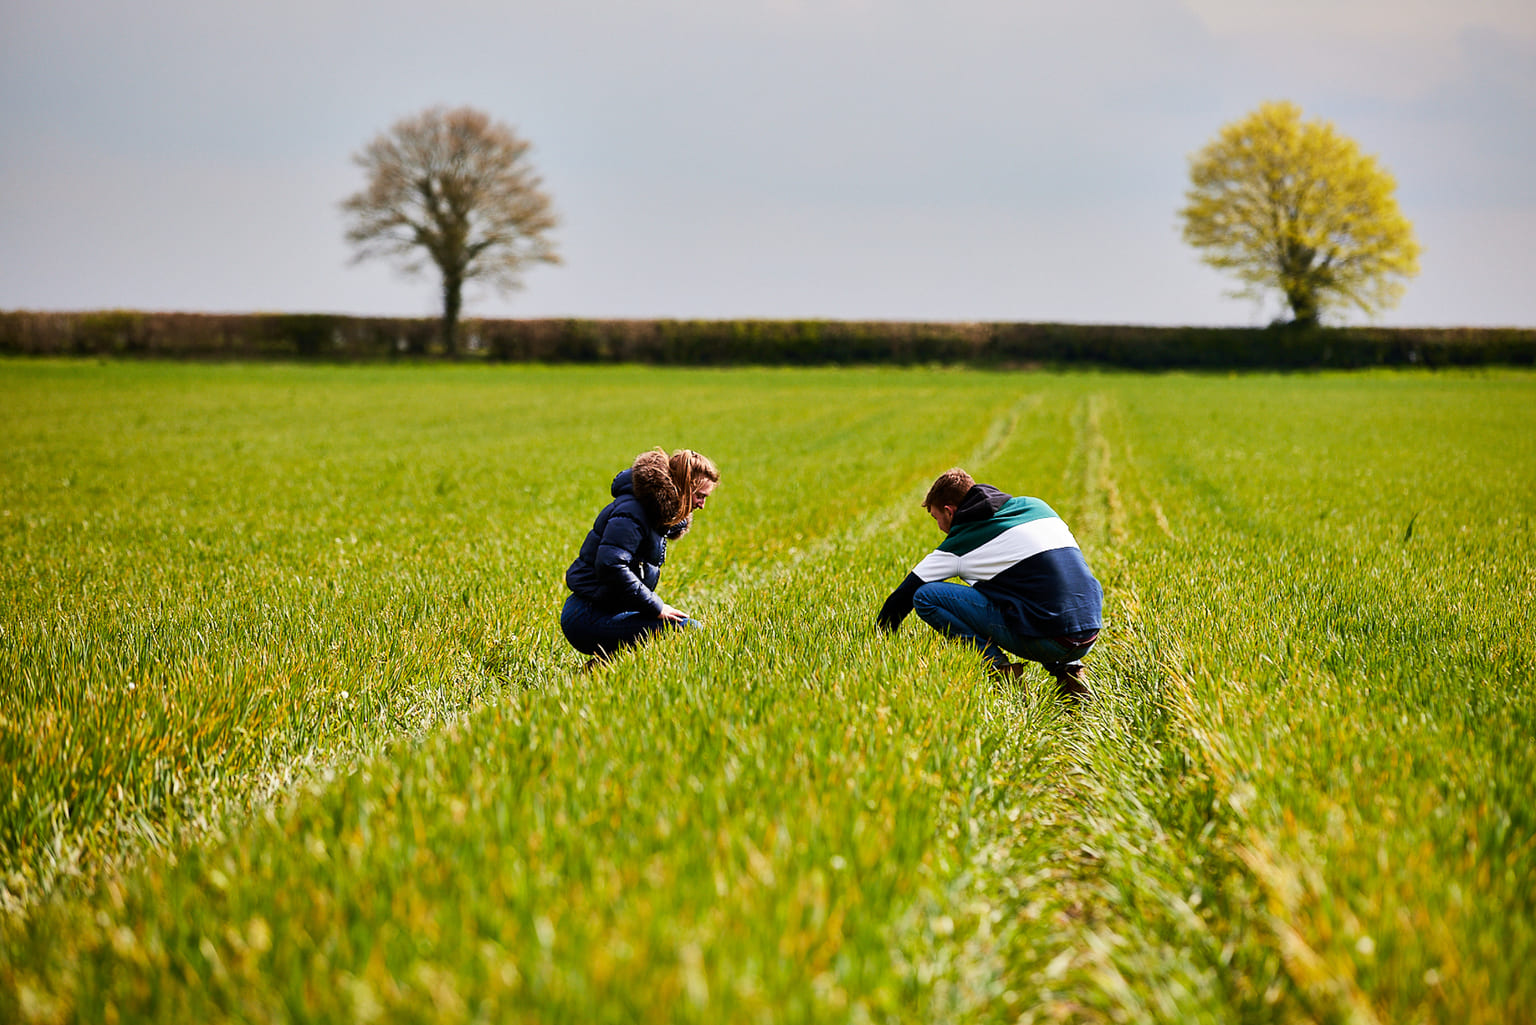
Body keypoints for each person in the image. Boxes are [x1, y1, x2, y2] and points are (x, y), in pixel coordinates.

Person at [877, 468, 1102, 698]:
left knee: (925, 596)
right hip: (1089, 632)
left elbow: (903, 596)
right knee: (1039, 591)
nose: (940, 527)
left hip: (1049, 641)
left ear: (949, 511)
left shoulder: (962, 540)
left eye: (937, 518)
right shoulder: (1037, 507)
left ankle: (1001, 670)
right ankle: (1071, 674)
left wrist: (879, 637)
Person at [561, 447, 720, 662]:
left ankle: (593, 674)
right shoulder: (634, 511)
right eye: (699, 496)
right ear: (684, 487)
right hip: (586, 616)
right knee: (687, 628)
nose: (702, 505)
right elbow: (610, 563)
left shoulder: (653, 514)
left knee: (671, 629)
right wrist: (656, 606)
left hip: (605, 610)